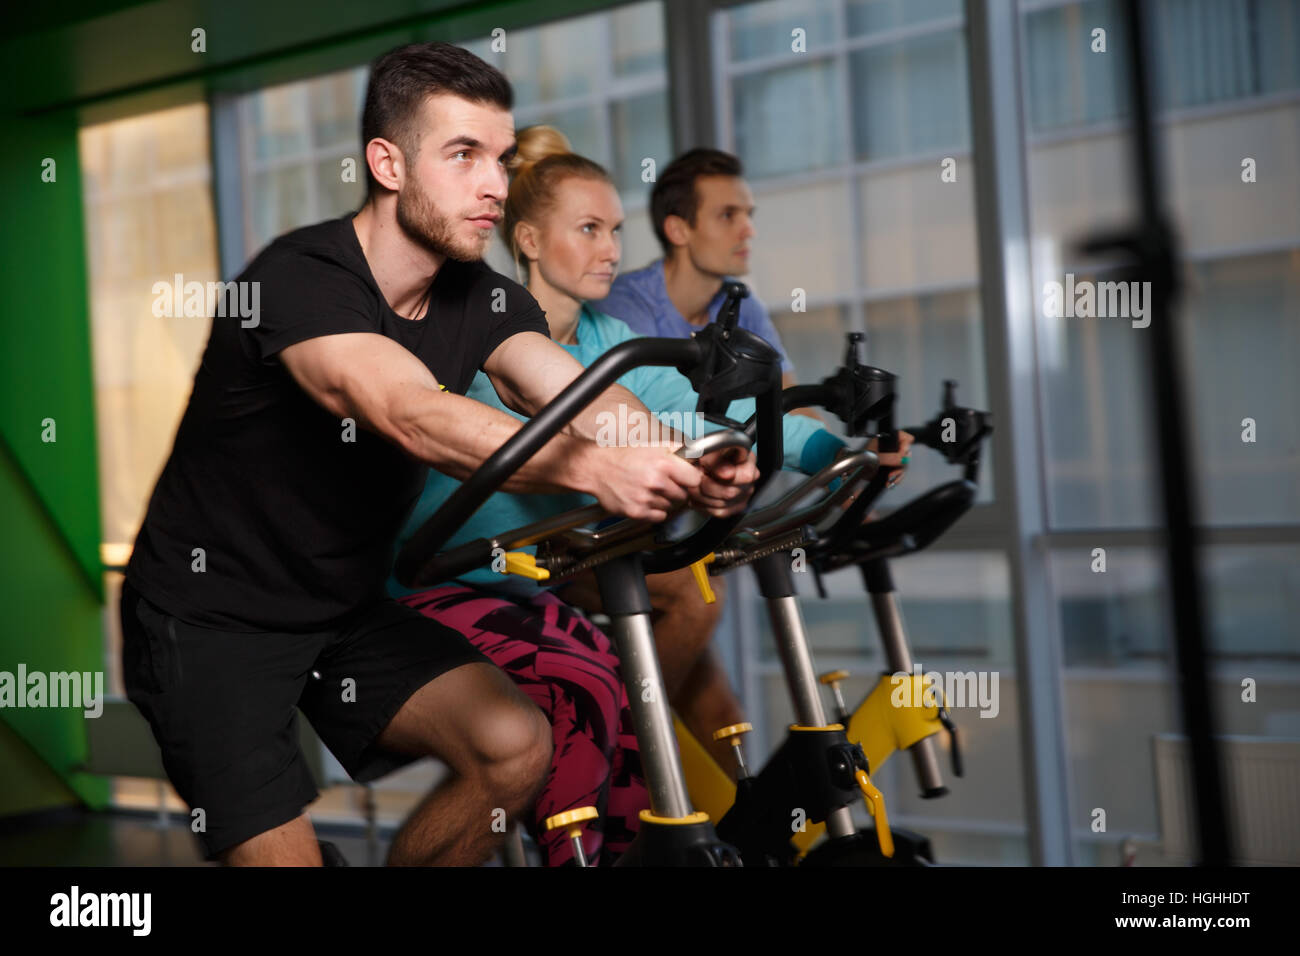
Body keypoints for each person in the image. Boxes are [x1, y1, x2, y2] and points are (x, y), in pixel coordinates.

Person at [120, 42, 757, 867]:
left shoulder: (485, 294)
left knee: (514, 745)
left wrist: (681, 457)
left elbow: (581, 394)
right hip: (212, 621)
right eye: (463, 156)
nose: (494, 183)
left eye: (498, 155)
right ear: (387, 163)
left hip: (343, 608)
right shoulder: (299, 278)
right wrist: (589, 469)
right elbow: (406, 410)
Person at [390, 126, 860, 866]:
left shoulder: (615, 340)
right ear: (531, 241)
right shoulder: (475, 334)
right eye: (588, 230)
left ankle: (619, 840)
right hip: (446, 580)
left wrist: (832, 449)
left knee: (625, 682)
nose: (611, 248)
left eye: (614, 230)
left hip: (537, 579)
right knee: (593, 679)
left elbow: (706, 414)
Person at [587, 147, 915, 766]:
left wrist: (848, 465)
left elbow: (783, 412)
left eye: (750, 213)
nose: (749, 230)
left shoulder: (740, 305)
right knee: (688, 666)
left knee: (722, 729)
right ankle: (615, 758)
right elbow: (645, 429)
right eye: (729, 215)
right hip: (613, 529)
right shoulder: (621, 312)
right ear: (678, 229)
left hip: (688, 525)